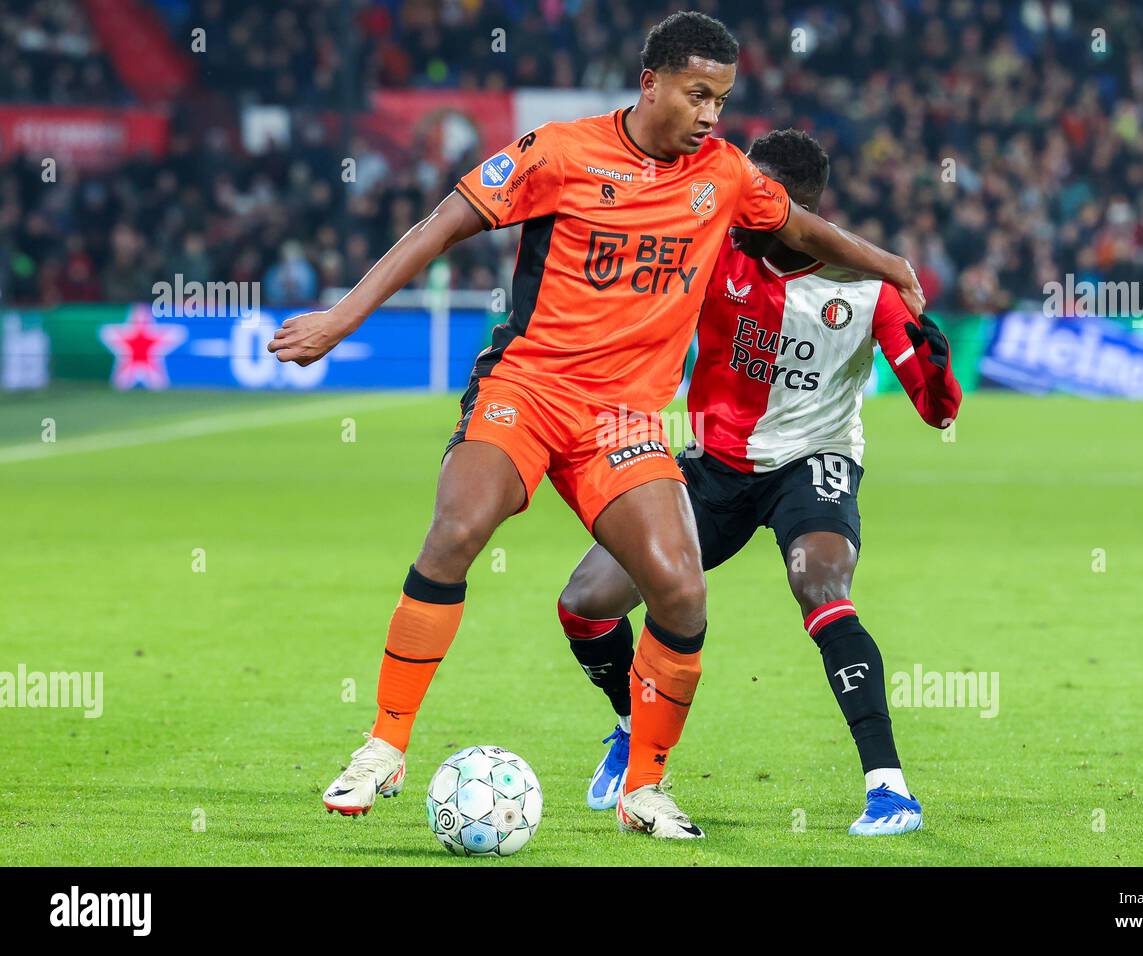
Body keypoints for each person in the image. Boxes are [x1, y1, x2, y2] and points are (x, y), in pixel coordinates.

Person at [268, 11, 924, 840]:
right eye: (696, 95)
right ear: (650, 83)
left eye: (721, 99)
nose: (711, 116)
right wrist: (340, 319)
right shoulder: (560, 153)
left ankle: (644, 788)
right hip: (529, 386)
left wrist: (887, 262)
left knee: (681, 592)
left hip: (623, 418)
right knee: (461, 525)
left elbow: (793, 224)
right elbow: (443, 223)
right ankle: (384, 746)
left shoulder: (722, 175)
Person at [558, 129, 961, 835]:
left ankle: (890, 789)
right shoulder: (714, 251)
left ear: (791, 206)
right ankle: (631, 730)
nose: (739, 203)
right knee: (585, 604)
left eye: (756, 194)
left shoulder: (867, 285)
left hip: (813, 459)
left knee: (821, 584)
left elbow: (937, 410)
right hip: (712, 463)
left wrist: (934, 364)